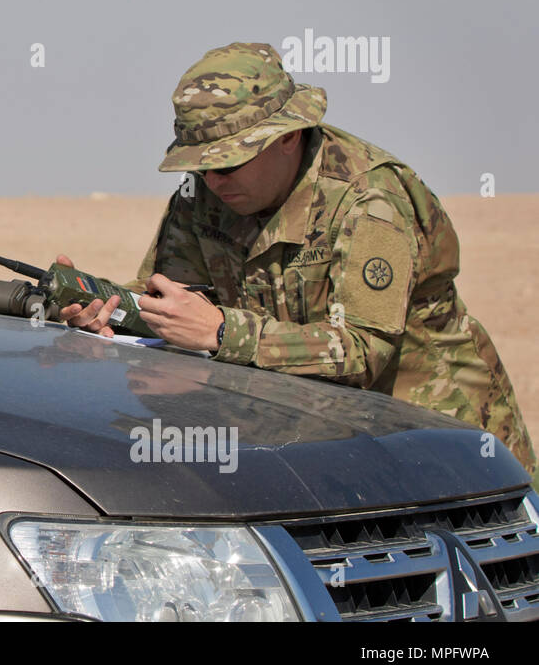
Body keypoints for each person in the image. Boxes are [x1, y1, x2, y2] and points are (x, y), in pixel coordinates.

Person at [55, 42, 537, 477]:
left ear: (288, 136)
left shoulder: (368, 198)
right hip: (308, 430)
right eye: (201, 166)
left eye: (228, 163)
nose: (214, 181)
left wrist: (224, 332)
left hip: (434, 434)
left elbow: (364, 351)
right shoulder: (202, 195)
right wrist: (113, 311)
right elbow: (176, 303)